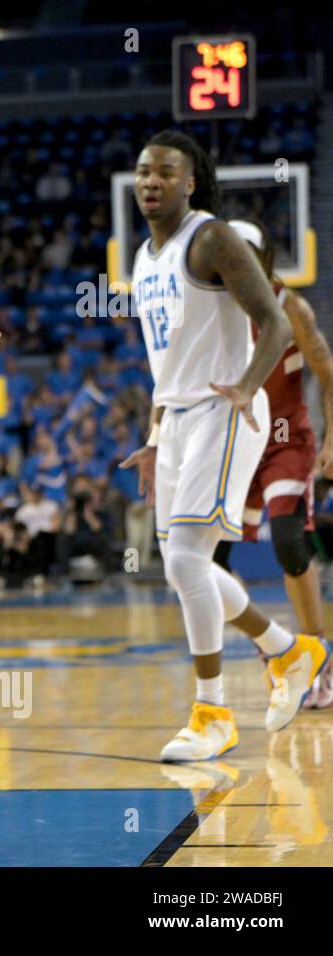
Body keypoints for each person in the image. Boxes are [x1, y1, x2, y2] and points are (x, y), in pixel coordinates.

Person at [118, 130, 325, 762]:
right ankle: (289, 652)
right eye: (144, 171)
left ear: (191, 182)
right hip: (177, 419)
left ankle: (213, 712)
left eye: (166, 172)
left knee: (185, 562)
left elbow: (273, 318)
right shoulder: (145, 259)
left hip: (225, 408)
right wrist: (155, 437)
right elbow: (167, 361)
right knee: (188, 570)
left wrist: (246, 385)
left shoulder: (210, 237)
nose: (151, 180)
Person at [210, 219, 333, 709]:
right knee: (210, 563)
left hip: (286, 442)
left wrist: (331, 443)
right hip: (233, 447)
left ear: (262, 261)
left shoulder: (291, 307)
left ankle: (320, 652)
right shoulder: (212, 311)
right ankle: (278, 651)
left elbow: (328, 374)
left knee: (287, 539)